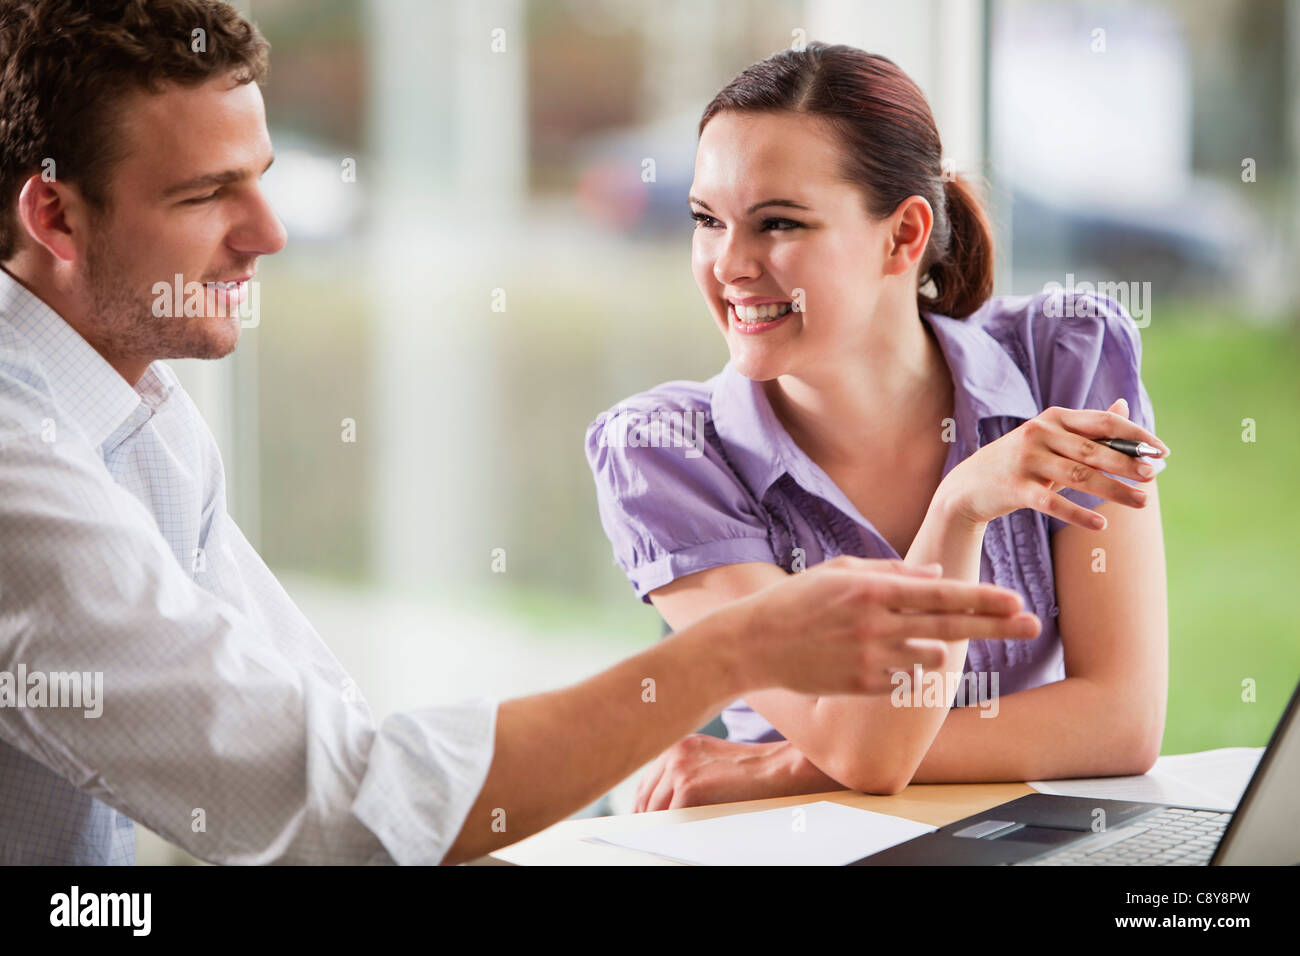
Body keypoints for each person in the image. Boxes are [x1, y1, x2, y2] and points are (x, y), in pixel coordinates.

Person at [0, 1, 1039, 866]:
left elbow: (336, 735)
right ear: (54, 215)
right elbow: (335, 809)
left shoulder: (145, 421)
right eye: (205, 193)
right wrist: (735, 653)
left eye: (260, 175)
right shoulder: (20, 472)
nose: (269, 232)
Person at [585, 42, 1172, 813]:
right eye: (707, 220)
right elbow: (865, 752)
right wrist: (960, 508)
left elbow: (1121, 724)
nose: (728, 263)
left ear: (903, 236)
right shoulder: (663, 453)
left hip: (1013, 837)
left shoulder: (1066, 358)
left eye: (778, 223)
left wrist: (784, 767)